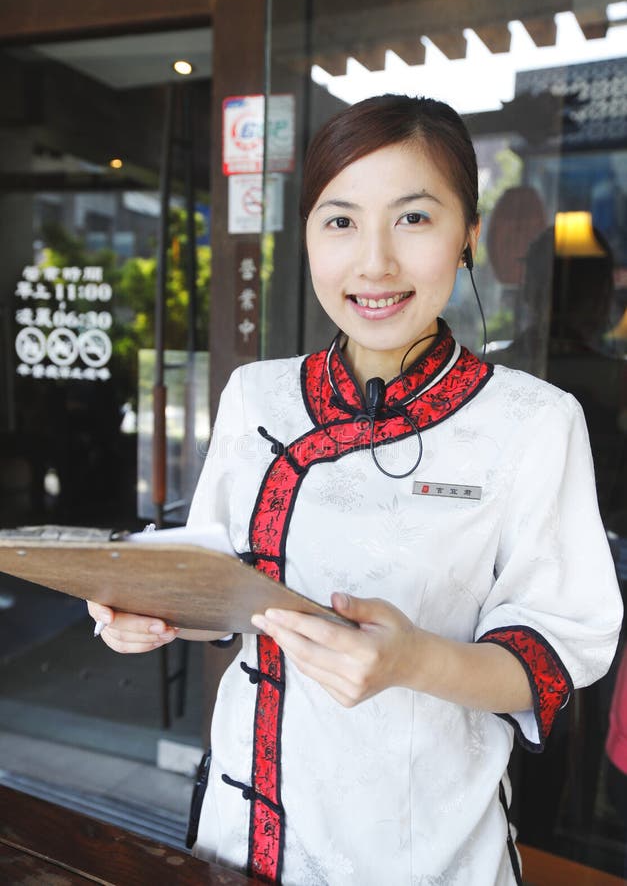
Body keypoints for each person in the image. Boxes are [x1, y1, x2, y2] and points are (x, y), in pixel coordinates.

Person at [88, 94, 623, 885]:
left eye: (412, 219)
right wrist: (149, 609)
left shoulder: (533, 422)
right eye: (339, 221)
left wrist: (413, 662)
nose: (373, 263)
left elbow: (554, 657)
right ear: (305, 236)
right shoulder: (255, 396)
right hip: (240, 833)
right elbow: (221, 586)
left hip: (419, 850)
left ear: (466, 235)